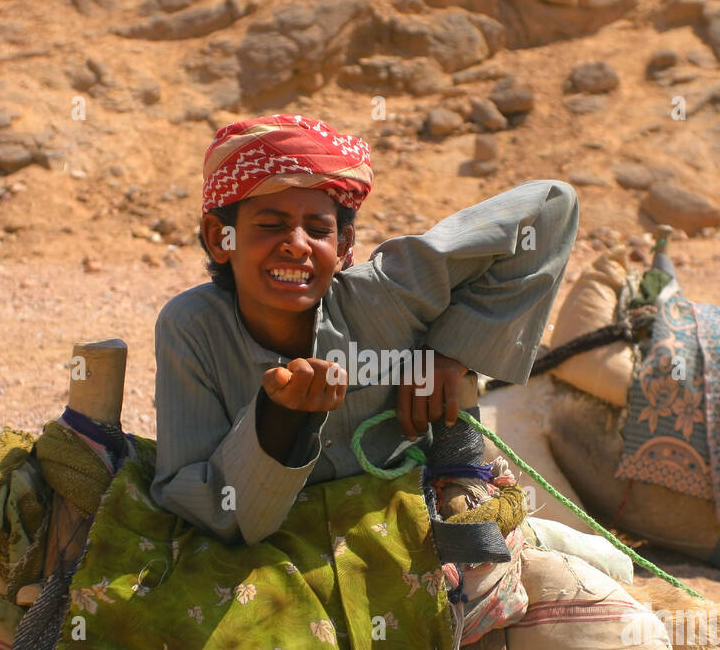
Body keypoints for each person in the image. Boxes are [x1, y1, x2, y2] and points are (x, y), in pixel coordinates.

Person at [151, 114, 579, 545]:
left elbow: (551, 208)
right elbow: (196, 503)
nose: (297, 244)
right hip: (276, 552)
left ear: (341, 248)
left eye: (318, 230)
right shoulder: (192, 329)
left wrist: (452, 352)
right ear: (219, 237)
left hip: (419, 529)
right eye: (270, 225)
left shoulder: (386, 295)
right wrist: (278, 424)